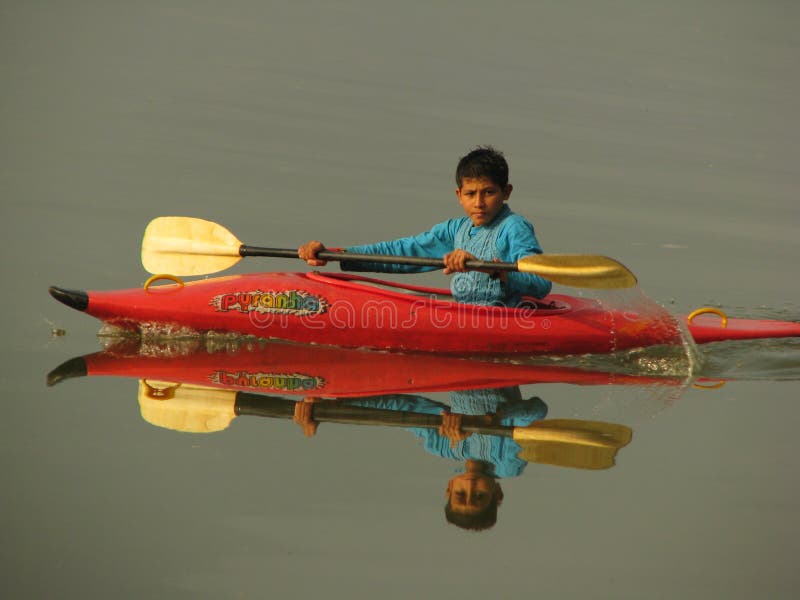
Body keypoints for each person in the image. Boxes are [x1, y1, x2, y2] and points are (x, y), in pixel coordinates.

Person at [298, 146, 552, 306]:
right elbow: (405, 252)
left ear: (506, 192)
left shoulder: (514, 227)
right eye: (470, 194)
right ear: (458, 194)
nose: (479, 203)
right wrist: (335, 254)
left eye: (489, 192)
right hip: (464, 315)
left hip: (506, 319)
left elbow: (541, 283)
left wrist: (495, 270)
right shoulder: (456, 230)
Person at [293, 387, 548, 531]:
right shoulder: (509, 464)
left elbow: (401, 406)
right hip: (501, 355)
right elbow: (537, 409)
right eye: (479, 496)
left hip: (461, 355)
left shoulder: (440, 445)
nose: (470, 487)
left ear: (449, 487)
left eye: (461, 494)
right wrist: (490, 419)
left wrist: (327, 407)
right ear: (498, 494)